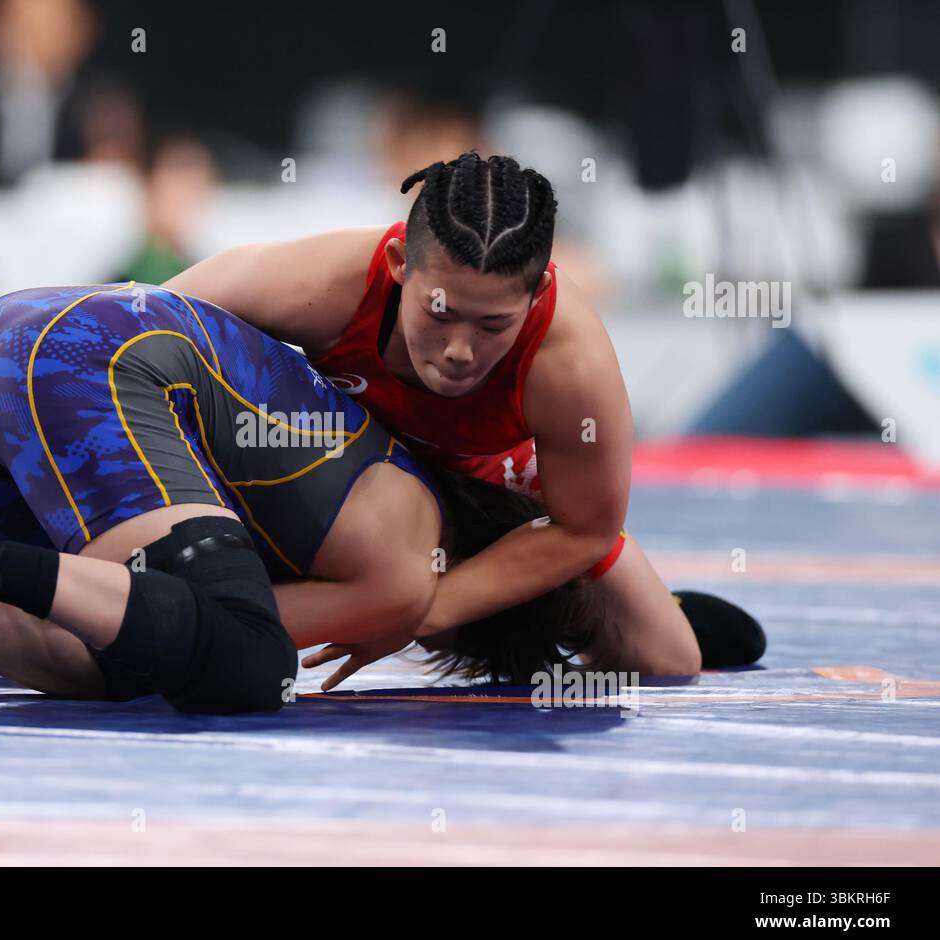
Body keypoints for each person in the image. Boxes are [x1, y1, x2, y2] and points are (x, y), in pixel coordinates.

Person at [0, 282, 748, 713]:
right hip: (81, 370)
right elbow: (226, 629)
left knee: (134, 631)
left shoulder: (373, 430)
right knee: (234, 653)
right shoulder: (406, 565)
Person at [162, 151, 756, 688]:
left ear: (538, 291)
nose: (459, 350)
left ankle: (634, 605)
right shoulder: (317, 283)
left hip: (495, 492)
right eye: (440, 313)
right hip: (351, 468)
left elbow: (583, 528)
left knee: (667, 659)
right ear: (398, 263)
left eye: (494, 324)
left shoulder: (570, 362)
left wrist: (414, 613)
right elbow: (125, 326)